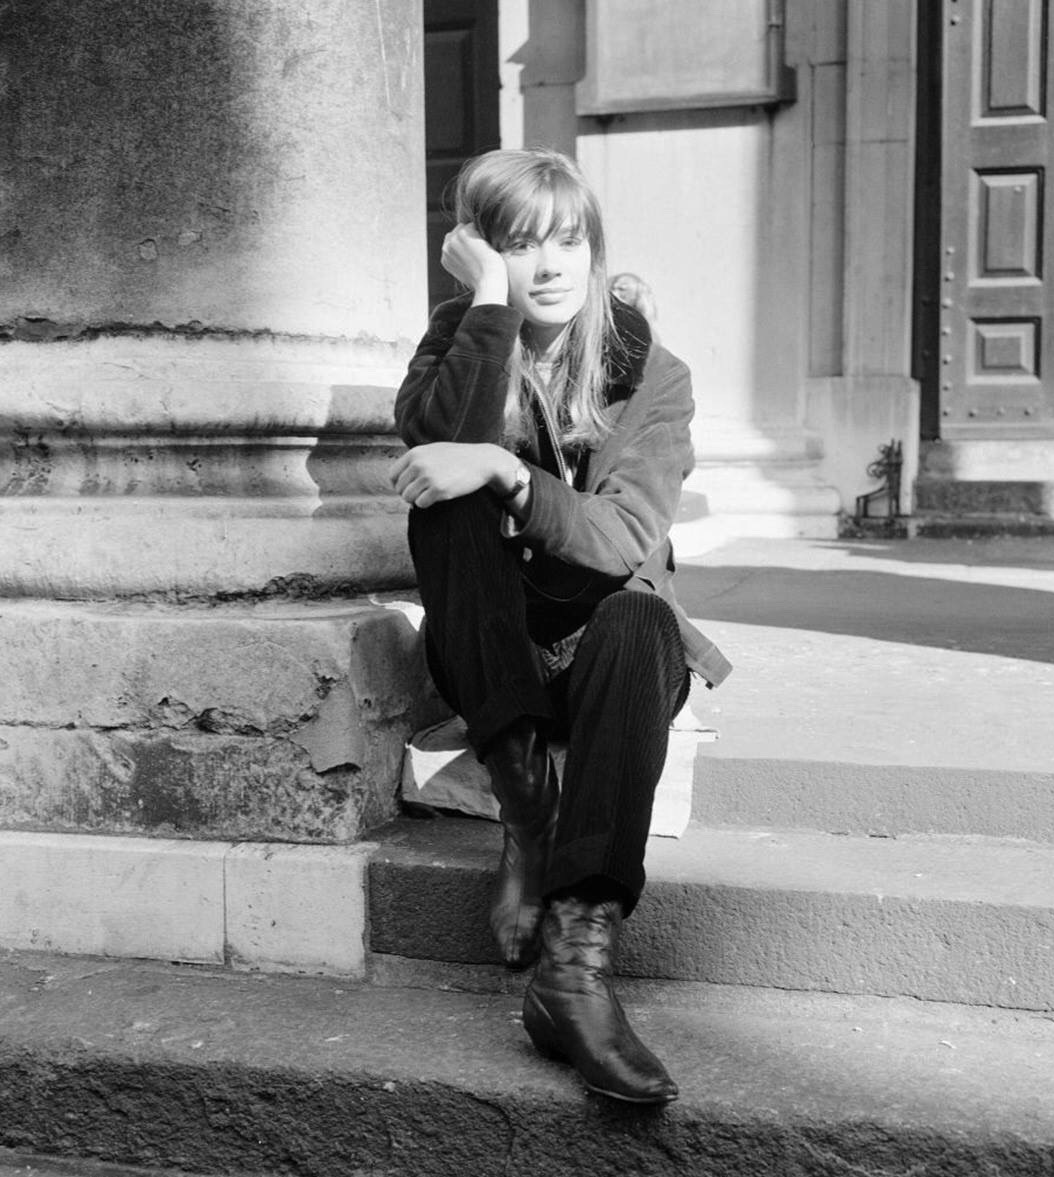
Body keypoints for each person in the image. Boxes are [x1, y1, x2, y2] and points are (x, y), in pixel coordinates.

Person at [389, 147, 731, 1105]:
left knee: (638, 618)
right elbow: (431, 435)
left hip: (604, 648)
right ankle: (528, 814)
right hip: (500, 647)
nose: (548, 266)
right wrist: (486, 307)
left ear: (593, 247)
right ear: (477, 253)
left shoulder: (650, 373)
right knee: (442, 507)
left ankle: (573, 968)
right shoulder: (460, 331)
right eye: (517, 245)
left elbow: (624, 533)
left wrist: (504, 473)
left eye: (567, 240)